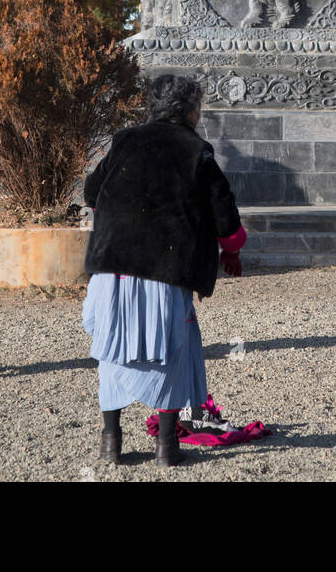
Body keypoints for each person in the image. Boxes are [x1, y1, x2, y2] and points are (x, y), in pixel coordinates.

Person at [81, 73, 246, 468]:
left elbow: (91, 193)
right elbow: (224, 212)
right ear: (191, 110)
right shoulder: (197, 151)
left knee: (113, 345)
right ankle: (167, 447)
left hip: (113, 267)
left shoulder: (124, 141)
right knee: (172, 347)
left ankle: (111, 441)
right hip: (165, 271)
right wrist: (232, 249)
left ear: (152, 107)